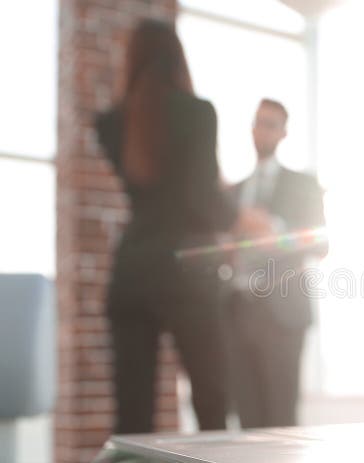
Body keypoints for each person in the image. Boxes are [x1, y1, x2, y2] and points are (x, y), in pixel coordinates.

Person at [95, 19, 260, 434]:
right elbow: (201, 199)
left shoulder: (112, 122)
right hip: (189, 271)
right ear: (177, 57)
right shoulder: (197, 112)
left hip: (132, 272)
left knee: (132, 419)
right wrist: (243, 220)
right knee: (212, 405)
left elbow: (159, 190)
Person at [225, 98, 327, 428]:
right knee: (248, 422)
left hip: (283, 313)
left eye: (271, 124)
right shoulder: (234, 192)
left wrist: (275, 230)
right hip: (238, 312)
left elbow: (321, 242)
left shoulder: (302, 184)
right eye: (258, 122)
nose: (263, 130)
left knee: (282, 422)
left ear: (283, 133)